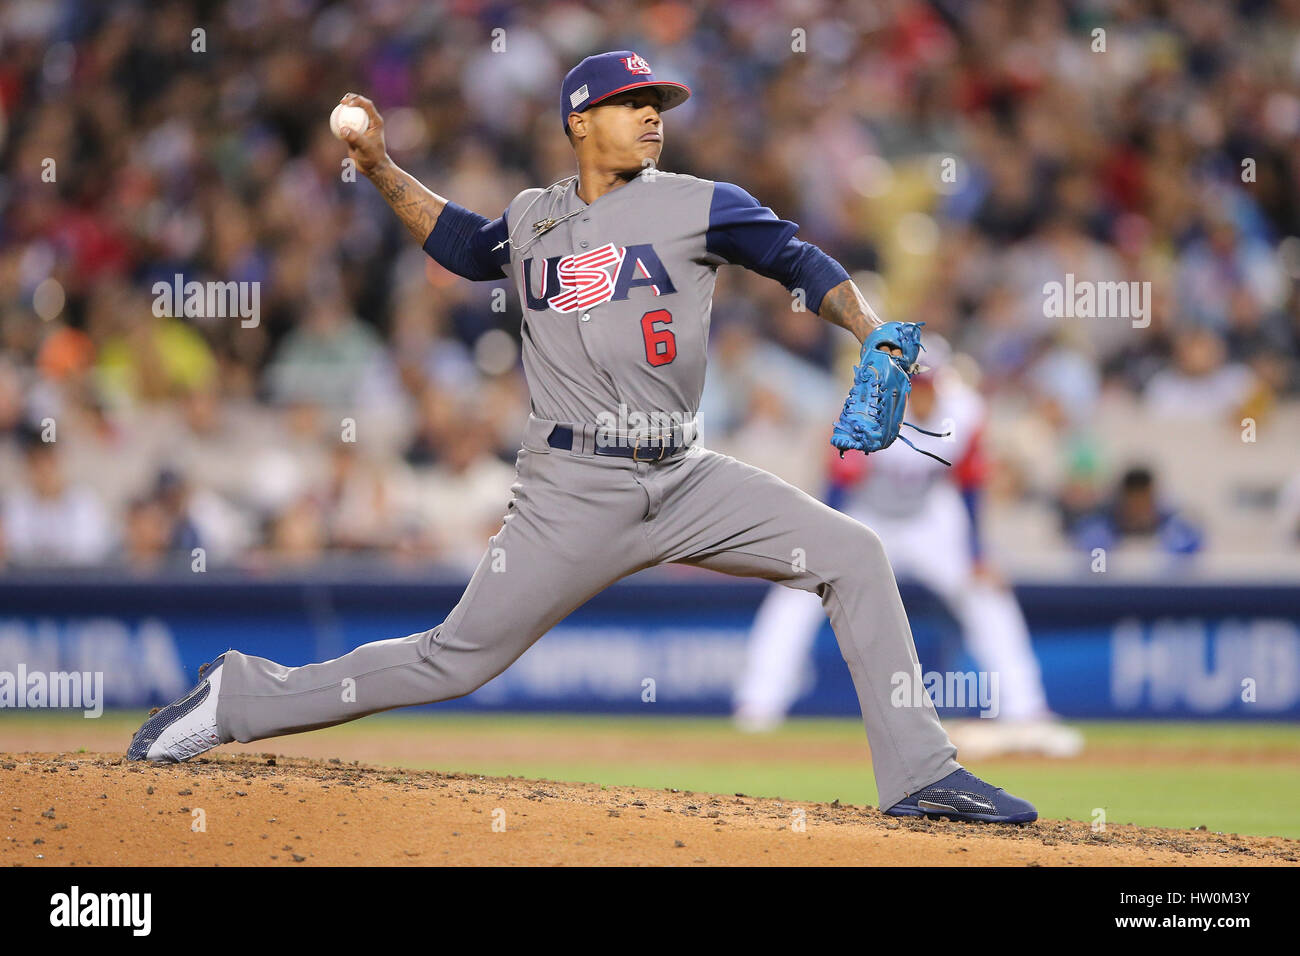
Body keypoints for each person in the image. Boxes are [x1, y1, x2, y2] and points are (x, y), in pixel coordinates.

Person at [129, 51, 1036, 823]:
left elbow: (800, 259)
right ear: (579, 120)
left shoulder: (700, 203)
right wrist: (375, 164)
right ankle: (238, 696)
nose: (652, 119)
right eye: (631, 105)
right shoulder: (533, 219)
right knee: (453, 660)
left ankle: (921, 774)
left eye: (658, 107)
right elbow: (459, 244)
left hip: (685, 477)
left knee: (853, 552)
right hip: (571, 489)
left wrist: (868, 326)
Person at [734, 342, 1083, 759]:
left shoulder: (965, 410)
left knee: (987, 594)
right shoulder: (867, 404)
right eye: (912, 382)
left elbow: (969, 485)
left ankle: (1026, 710)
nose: (920, 391)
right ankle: (758, 707)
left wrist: (975, 555)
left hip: (930, 518)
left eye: (927, 382)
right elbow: (839, 483)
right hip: (867, 513)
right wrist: (820, 546)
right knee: (796, 591)